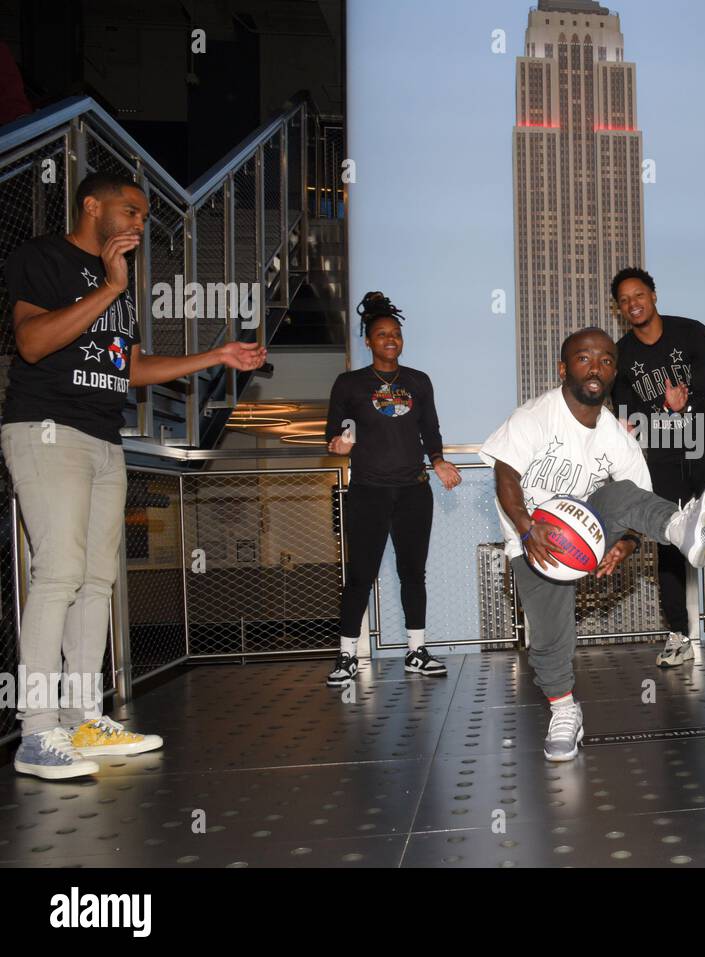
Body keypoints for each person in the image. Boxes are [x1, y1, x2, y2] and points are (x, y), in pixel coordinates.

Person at [2, 171, 266, 780]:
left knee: (96, 580)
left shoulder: (119, 290)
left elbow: (132, 367)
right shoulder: (42, 257)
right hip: (46, 428)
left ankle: (83, 718)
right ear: (91, 206)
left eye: (145, 216)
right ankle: (38, 731)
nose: (140, 223)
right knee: (59, 573)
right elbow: (34, 343)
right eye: (131, 210)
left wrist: (216, 356)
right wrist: (112, 283)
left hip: (102, 434)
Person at [480, 327, 705, 761]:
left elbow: (634, 498)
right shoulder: (534, 417)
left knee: (620, 494)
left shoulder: (617, 436)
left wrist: (629, 543)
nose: (595, 367)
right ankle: (564, 711)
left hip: (589, 527)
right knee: (549, 637)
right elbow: (505, 476)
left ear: (614, 373)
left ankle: (680, 530)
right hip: (534, 540)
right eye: (584, 358)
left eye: (606, 360)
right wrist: (524, 527)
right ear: (564, 368)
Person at [609, 267, 705, 667]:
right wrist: (659, 409)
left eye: (638, 294)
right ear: (618, 309)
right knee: (669, 538)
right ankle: (677, 634)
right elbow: (625, 411)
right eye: (624, 300)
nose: (632, 304)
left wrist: (684, 405)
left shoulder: (692, 333)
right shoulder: (622, 356)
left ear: (653, 295)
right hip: (663, 451)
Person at [323, 292, 461, 686]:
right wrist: (337, 444)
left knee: (412, 574)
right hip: (368, 492)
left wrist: (438, 460)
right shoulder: (350, 383)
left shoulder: (418, 382)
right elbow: (332, 433)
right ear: (367, 340)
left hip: (413, 492)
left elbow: (429, 430)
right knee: (361, 576)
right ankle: (347, 656)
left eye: (396, 334)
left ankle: (416, 651)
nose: (390, 339)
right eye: (382, 334)